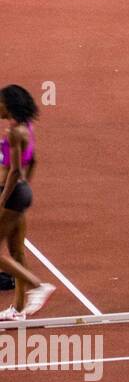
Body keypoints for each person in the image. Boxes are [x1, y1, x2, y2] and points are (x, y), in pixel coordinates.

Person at [0, 86, 56, 321]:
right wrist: (26, 187)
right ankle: (18, 309)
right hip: (20, 194)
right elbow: (33, 161)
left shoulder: (14, 132)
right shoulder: (27, 129)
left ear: (9, 105)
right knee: (16, 252)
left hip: (10, 195)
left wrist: (3, 200)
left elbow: (13, 171)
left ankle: (38, 285)